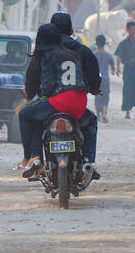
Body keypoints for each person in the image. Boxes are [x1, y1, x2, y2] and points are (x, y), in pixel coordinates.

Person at [18, 23, 96, 182]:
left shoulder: (47, 55)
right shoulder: (73, 54)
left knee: (25, 114)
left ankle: (31, 157)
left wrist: (42, 97)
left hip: (60, 101)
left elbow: (48, 85)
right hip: (80, 101)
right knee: (92, 120)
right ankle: (87, 159)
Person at [51, 11, 100, 169]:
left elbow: (33, 76)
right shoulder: (84, 51)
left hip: (51, 104)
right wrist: (94, 89)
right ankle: (87, 160)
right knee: (90, 122)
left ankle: (36, 159)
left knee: (37, 123)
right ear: (72, 31)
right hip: (75, 104)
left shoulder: (44, 50)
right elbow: (94, 78)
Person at [115, 21, 135, 118]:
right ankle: (127, 112)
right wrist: (117, 68)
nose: (133, 31)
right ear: (128, 30)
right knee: (127, 90)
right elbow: (119, 57)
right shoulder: (123, 44)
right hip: (127, 69)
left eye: (134, 29)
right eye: (131, 29)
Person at [94, 35, 115, 123]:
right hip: (105, 78)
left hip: (96, 78)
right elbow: (112, 66)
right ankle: (104, 114)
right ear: (105, 43)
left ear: (96, 43)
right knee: (105, 97)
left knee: (97, 96)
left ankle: (98, 115)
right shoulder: (108, 55)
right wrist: (113, 71)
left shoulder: (93, 55)